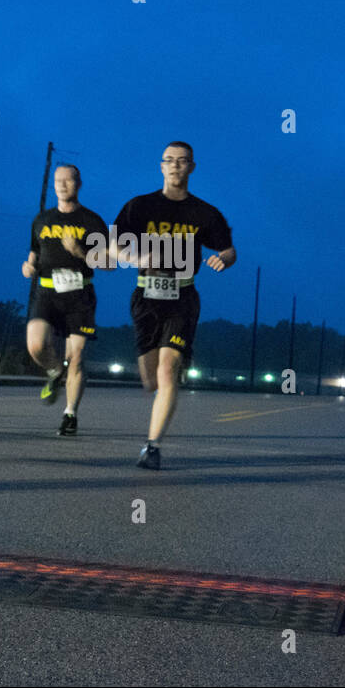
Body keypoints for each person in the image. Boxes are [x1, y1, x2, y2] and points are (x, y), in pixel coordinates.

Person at [113, 142, 235, 469]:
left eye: (182, 161)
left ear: (191, 167)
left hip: (183, 297)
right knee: (151, 379)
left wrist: (223, 259)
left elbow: (229, 250)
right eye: (169, 161)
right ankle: (166, 382)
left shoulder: (205, 213)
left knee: (167, 370)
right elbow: (111, 247)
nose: (175, 166)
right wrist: (135, 256)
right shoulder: (139, 207)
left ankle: (152, 447)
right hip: (146, 296)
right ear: (161, 166)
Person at [21, 164, 109, 435]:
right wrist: (28, 266)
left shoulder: (92, 221)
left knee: (77, 357)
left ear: (78, 184)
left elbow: (108, 263)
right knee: (36, 346)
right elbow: (34, 253)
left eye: (67, 181)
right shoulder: (42, 219)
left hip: (79, 294)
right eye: (57, 181)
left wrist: (80, 252)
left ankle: (69, 414)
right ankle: (55, 371)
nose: (61, 185)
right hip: (47, 292)